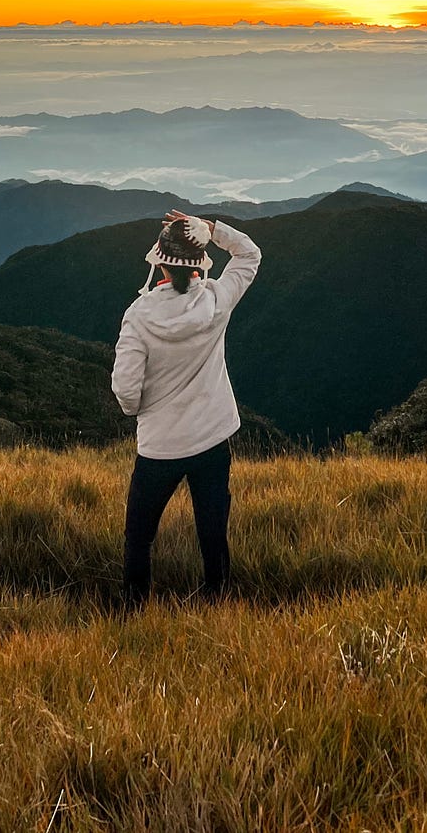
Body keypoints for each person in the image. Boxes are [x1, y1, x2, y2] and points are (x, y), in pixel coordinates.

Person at [111, 208, 261, 607]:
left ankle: (133, 610)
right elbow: (249, 255)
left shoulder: (138, 317)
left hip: (160, 446)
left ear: (159, 264)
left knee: (139, 535)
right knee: (212, 530)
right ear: (199, 267)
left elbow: (126, 393)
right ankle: (218, 600)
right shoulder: (217, 301)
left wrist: (146, 410)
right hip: (212, 439)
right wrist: (211, 229)